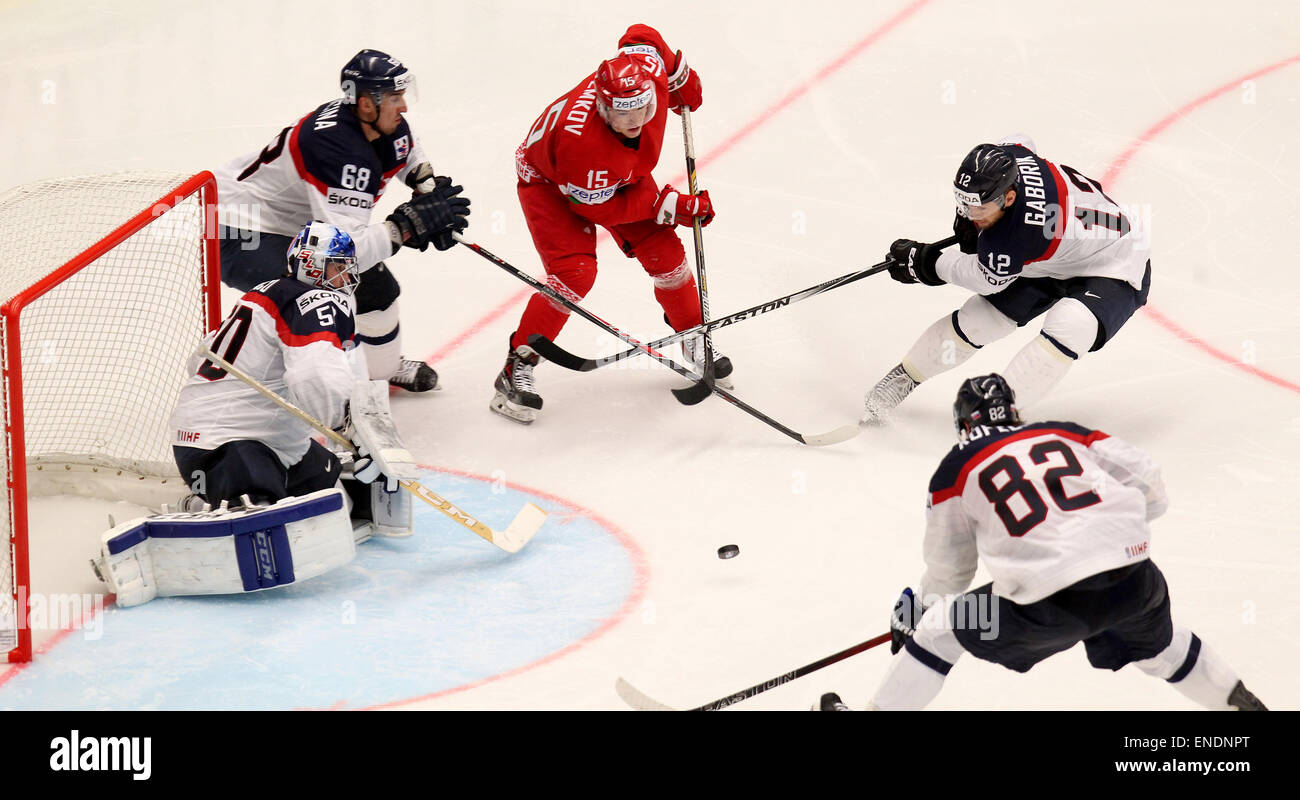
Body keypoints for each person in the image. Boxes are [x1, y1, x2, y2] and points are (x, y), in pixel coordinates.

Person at [821, 374, 1266, 711]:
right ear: (1013, 413)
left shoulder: (955, 470)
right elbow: (1149, 480)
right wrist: (1105, 536)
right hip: (1136, 582)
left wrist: (917, 610)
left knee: (940, 631)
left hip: (1044, 610)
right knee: (1161, 648)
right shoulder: (1065, 432)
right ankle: (1244, 705)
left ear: (963, 424)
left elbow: (950, 571)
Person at [492, 23, 722, 424]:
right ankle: (517, 365)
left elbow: (641, 35)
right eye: (623, 112)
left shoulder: (646, 71)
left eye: (644, 108)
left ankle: (690, 336)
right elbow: (598, 211)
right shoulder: (585, 149)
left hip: (615, 175)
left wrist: (680, 76)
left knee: (667, 256)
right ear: (602, 107)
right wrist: (668, 204)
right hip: (551, 182)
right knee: (574, 273)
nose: (636, 120)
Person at [214, 49, 471, 393]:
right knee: (317, 298)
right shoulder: (338, 152)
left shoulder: (379, 121)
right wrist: (406, 227)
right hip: (239, 230)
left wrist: (426, 186)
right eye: (396, 97)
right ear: (367, 104)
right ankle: (322, 392)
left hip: (292, 225)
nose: (404, 107)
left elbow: (409, 150)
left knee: (376, 290)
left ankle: (379, 370)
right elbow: (341, 254)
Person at [861, 135, 1152, 423]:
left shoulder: (1019, 234)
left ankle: (998, 415)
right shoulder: (1010, 157)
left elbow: (985, 279)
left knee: (1071, 323)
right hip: (1056, 253)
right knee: (981, 319)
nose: (969, 214)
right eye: (963, 204)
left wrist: (926, 264)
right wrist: (970, 217)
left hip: (1116, 261)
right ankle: (899, 383)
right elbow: (1021, 138)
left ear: (1009, 197)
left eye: (978, 207)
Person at [168, 221, 389, 512]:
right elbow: (314, 373)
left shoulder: (266, 292)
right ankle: (207, 504)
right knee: (266, 515)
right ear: (312, 266)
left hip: (255, 443)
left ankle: (208, 495)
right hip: (228, 445)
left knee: (338, 505)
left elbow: (200, 360)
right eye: (337, 267)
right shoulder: (316, 299)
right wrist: (353, 429)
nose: (346, 276)